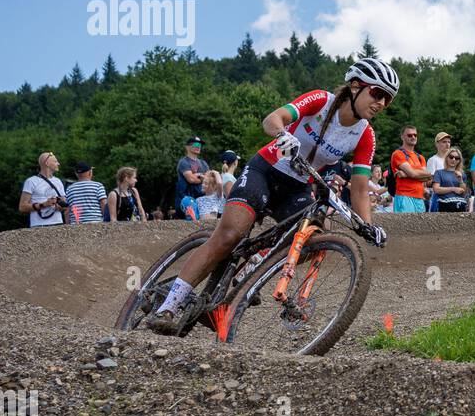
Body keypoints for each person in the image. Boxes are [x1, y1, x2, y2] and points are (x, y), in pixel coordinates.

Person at [148, 57, 395, 334]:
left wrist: (368, 225)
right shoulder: (321, 101)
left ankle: (242, 282)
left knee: (312, 237)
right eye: (377, 93)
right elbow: (273, 118)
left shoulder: (365, 135)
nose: (382, 103)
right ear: (354, 86)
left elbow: (360, 187)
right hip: (266, 170)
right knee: (231, 234)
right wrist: (282, 134)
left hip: (299, 184)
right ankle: (168, 306)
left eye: (388, 99)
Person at [20, 152, 69, 228]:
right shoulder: (31, 181)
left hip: (58, 225)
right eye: (55, 161)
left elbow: (65, 206)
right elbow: (22, 207)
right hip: (38, 226)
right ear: (47, 163)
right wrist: (43, 205)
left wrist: (60, 206)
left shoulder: (58, 181)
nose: (58, 163)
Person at [390, 125, 432, 213]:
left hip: (420, 197)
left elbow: (427, 177)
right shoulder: (398, 154)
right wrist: (416, 174)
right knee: (404, 226)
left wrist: (406, 174)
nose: (413, 137)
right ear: (402, 137)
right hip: (404, 197)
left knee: (419, 227)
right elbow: (414, 174)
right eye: (409, 135)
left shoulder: (420, 157)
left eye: (415, 135)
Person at [175, 137, 209, 218]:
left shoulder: (203, 163)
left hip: (201, 199)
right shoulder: (184, 162)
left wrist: (198, 176)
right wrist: (202, 177)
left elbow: (209, 179)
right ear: (187, 147)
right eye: (196, 144)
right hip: (186, 200)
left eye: (200, 145)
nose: (198, 147)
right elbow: (191, 179)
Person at [432, 147, 470, 212]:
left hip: (459, 206)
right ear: (447, 158)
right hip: (444, 205)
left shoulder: (462, 174)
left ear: (459, 161)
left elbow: (463, 192)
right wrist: (453, 189)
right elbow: (436, 189)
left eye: (457, 158)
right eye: (451, 157)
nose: (453, 159)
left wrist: (460, 180)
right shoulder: (439, 172)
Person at [426, 132, 453, 210]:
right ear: (437, 144)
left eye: (449, 142)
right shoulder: (433, 160)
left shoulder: (453, 160)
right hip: (438, 198)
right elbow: (428, 182)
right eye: (444, 142)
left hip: (452, 196)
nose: (447, 144)